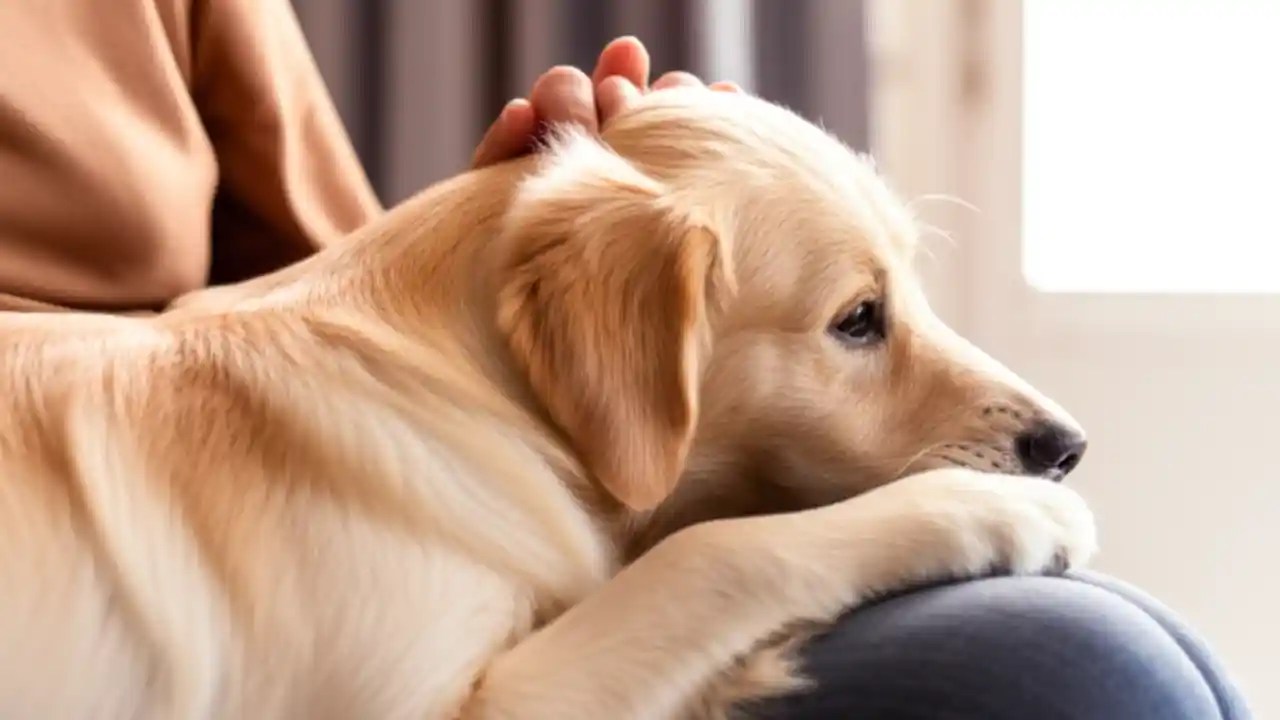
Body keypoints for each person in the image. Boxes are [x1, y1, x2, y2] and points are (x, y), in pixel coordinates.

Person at [0, 2, 1251, 718]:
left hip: (261, 468)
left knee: (1135, 653)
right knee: (1083, 675)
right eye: (862, 323)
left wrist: (542, 250)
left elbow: (341, 301)